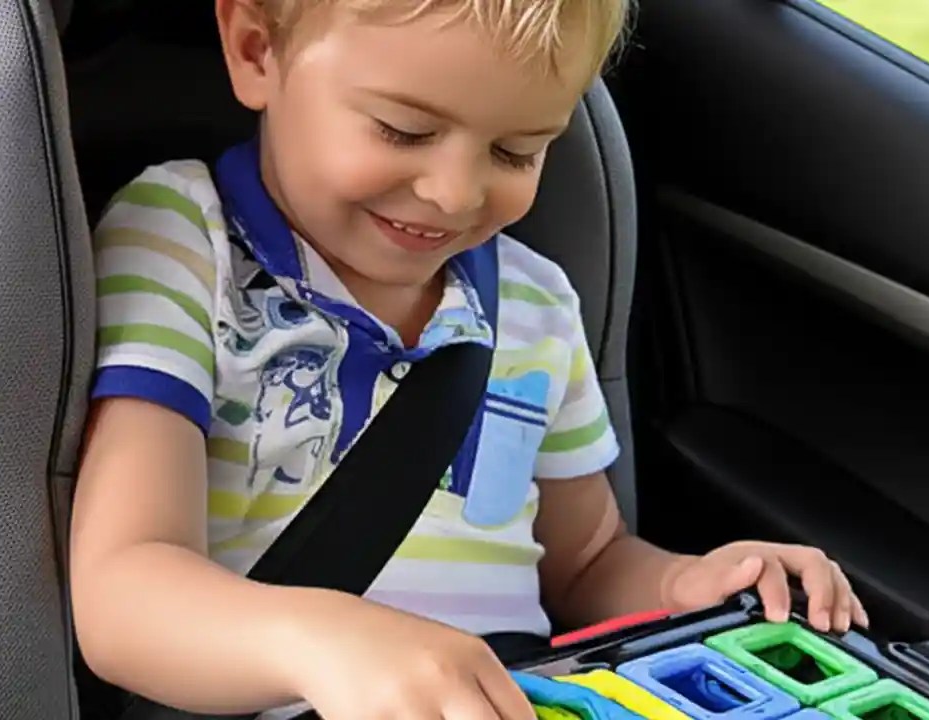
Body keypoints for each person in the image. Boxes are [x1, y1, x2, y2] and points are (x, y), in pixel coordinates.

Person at [69, 0, 868, 717]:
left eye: (517, 152)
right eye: (404, 131)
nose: (455, 194)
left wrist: (686, 587)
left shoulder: (536, 304)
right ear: (255, 51)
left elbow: (586, 563)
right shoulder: (183, 239)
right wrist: (328, 644)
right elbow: (125, 586)